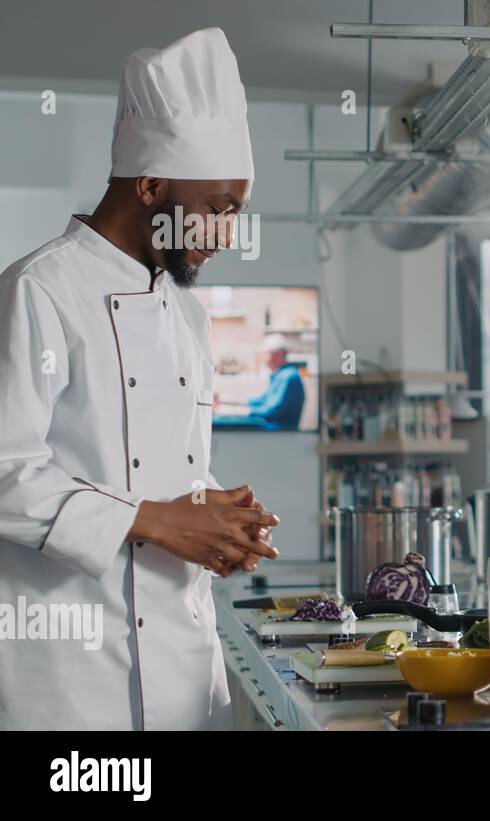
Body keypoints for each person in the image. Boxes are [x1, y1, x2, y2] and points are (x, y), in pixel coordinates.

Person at [0, 28, 280, 730]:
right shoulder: (39, 290)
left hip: (183, 675)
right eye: (219, 207)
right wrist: (156, 520)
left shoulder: (188, 317)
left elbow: (162, 465)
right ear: (150, 183)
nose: (225, 234)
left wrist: (212, 514)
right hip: (70, 685)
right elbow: (6, 468)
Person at [244, 333, 306, 430]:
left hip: (279, 431)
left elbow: (273, 411)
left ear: (278, 355)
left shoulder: (289, 377)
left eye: (266, 354)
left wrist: (247, 411)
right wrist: (238, 403)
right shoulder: (280, 375)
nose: (264, 359)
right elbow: (263, 400)